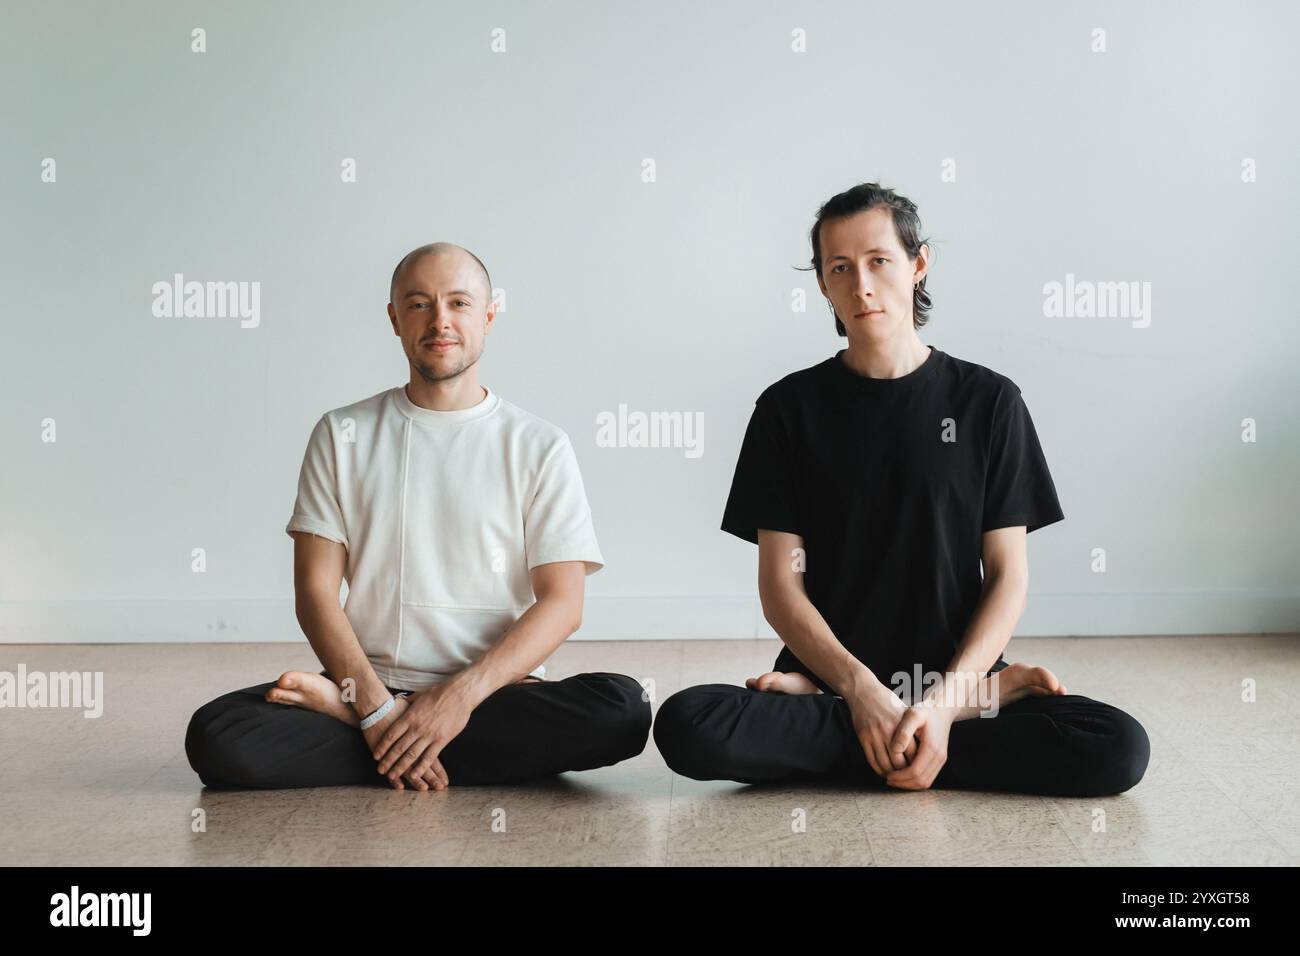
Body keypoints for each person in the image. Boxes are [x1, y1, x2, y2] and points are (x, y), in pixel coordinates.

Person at [653, 183, 1150, 797]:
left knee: (1118, 746)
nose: (860, 284)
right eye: (839, 268)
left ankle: (899, 729)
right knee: (685, 724)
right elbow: (781, 587)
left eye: (878, 261)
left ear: (917, 265)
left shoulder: (990, 402)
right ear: (822, 285)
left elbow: (1007, 578)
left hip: (950, 682)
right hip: (838, 677)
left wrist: (943, 705)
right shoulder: (788, 410)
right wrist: (860, 691)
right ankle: (900, 727)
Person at [186, 243, 650, 791]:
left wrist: (455, 700)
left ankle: (370, 735)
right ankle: (402, 736)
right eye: (419, 304)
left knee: (623, 709)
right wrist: (376, 707)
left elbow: (563, 604)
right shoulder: (342, 434)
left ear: (489, 315)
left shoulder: (540, 445)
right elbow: (315, 592)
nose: (440, 321)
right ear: (394, 319)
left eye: (458, 303)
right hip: (372, 684)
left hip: (495, 695)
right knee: (217, 736)